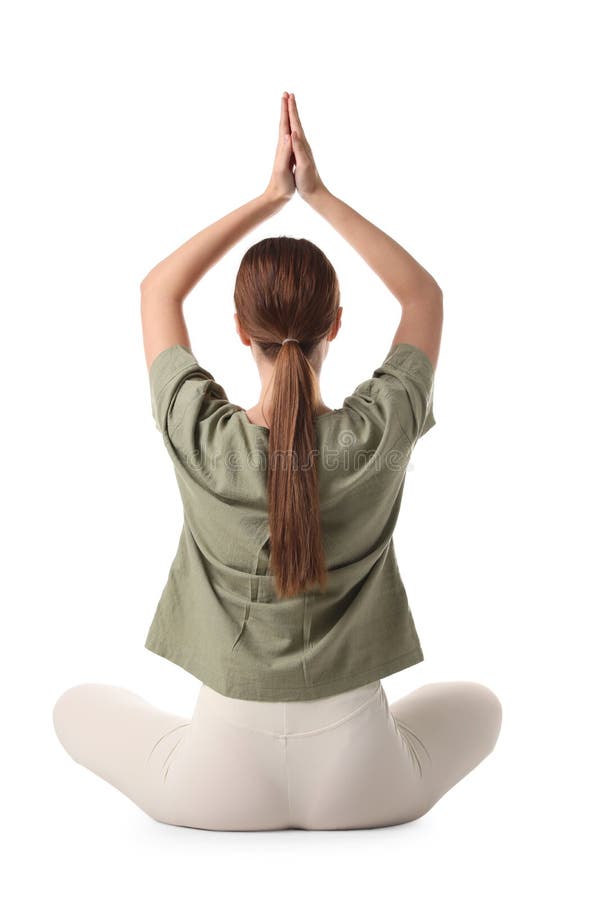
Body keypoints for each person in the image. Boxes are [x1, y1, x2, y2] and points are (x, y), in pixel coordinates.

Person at [52, 92, 502, 831]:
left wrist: (269, 199)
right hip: (364, 780)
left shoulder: (203, 437)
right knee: (483, 705)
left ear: (237, 330)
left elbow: (156, 289)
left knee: (74, 708)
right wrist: (316, 196)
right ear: (336, 325)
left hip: (214, 783)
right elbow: (423, 294)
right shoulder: (377, 433)